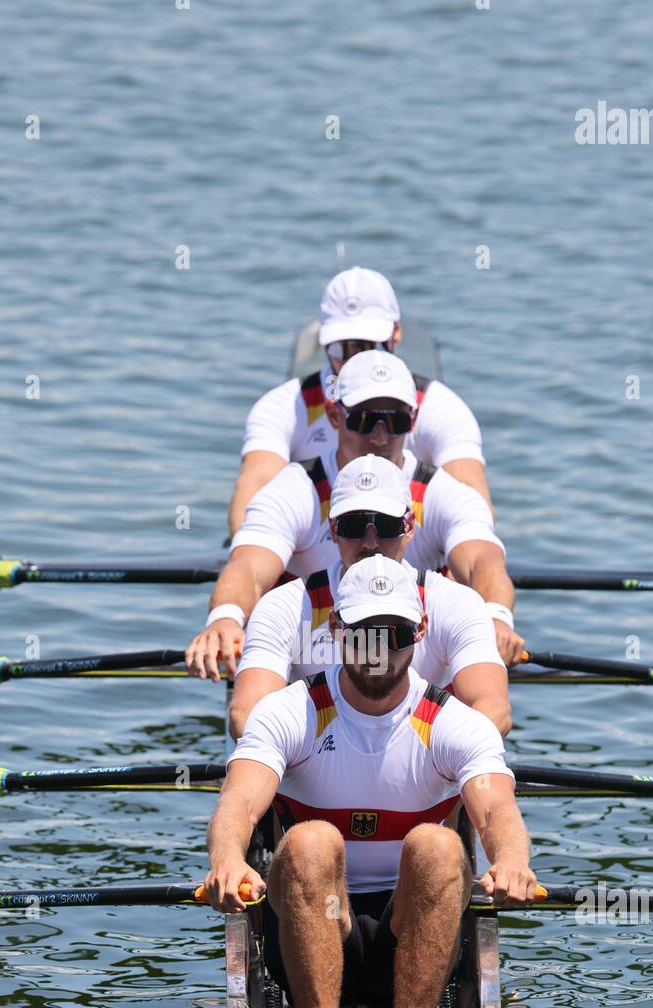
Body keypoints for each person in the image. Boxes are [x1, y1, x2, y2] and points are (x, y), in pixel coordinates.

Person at [204, 556, 535, 1008]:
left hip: (412, 926)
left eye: (394, 634)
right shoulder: (290, 712)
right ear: (336, 628)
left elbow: (497, 810)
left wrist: (511, 860)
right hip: (310, 923)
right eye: (363, 633)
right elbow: (239, 800)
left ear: (420, 631)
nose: (378, 649)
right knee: (309, 842)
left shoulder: (452, 724)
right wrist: (228, 859)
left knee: (439, 847)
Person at [186, 350, 524, 681]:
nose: (379, 436)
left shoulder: (443, 492)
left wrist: (495, 618)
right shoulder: (296, 489)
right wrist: (226, 617)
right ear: (334, 416)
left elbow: (484, 560)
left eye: (395, 421)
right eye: (363, 419)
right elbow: (249, 565)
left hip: (411, 674)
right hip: (309, 671)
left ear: (414, 419)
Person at [228, 454, 511, 741]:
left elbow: (493, 708)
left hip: (423, 769)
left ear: (409, 527)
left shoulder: (455, 604)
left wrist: (429, 760)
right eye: (354, 525)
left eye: (386, 526)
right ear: (334, 529)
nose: (371, 543)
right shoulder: (284, 606)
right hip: (313, 763)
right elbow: (246, 714)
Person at [228, 265, 493, 533]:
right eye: (343, 347)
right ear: (323, 343)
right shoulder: (284, 406)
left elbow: (472, 498)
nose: (356, 360)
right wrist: (251, 550)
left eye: (367, 345)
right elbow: (255, 488)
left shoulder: (441, 407)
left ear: (396, 335)